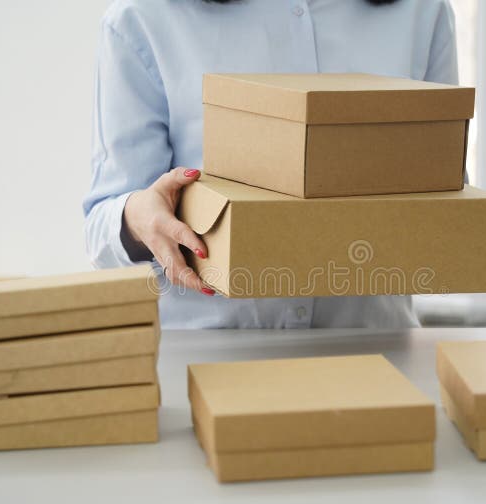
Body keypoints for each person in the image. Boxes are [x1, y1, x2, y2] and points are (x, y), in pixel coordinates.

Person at [84, 0, 461, 328]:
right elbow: (101, 223)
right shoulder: (143, 17)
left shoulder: (424, 11)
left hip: (375, 348)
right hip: (207, 352)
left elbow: (450, 194)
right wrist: (138, 217)